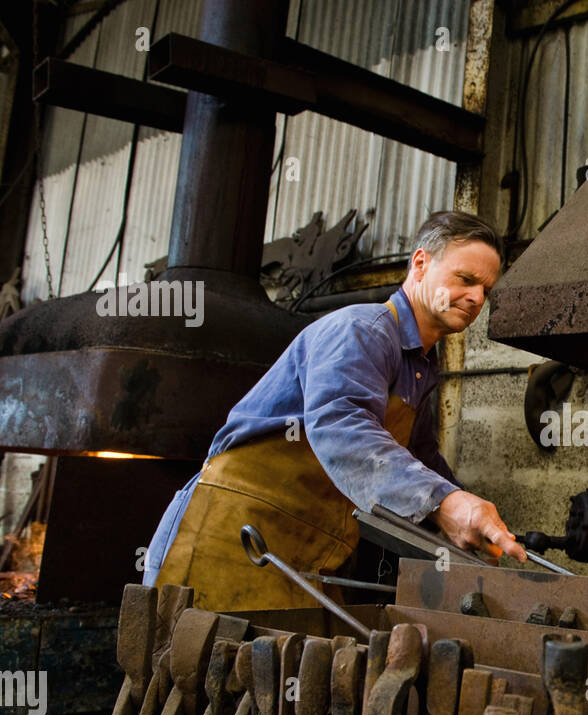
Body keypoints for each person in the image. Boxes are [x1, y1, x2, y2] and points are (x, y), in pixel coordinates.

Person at [143, 210, 526, 610]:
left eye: (486, 289)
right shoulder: (363, 331)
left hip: (301, 556)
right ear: (420, 264)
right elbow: (341, 425)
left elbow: (422, 462)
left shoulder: (421, 368)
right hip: (227, 533)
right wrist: (445, 503)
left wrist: (478, 521)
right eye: (466, 280)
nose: (477, 298)